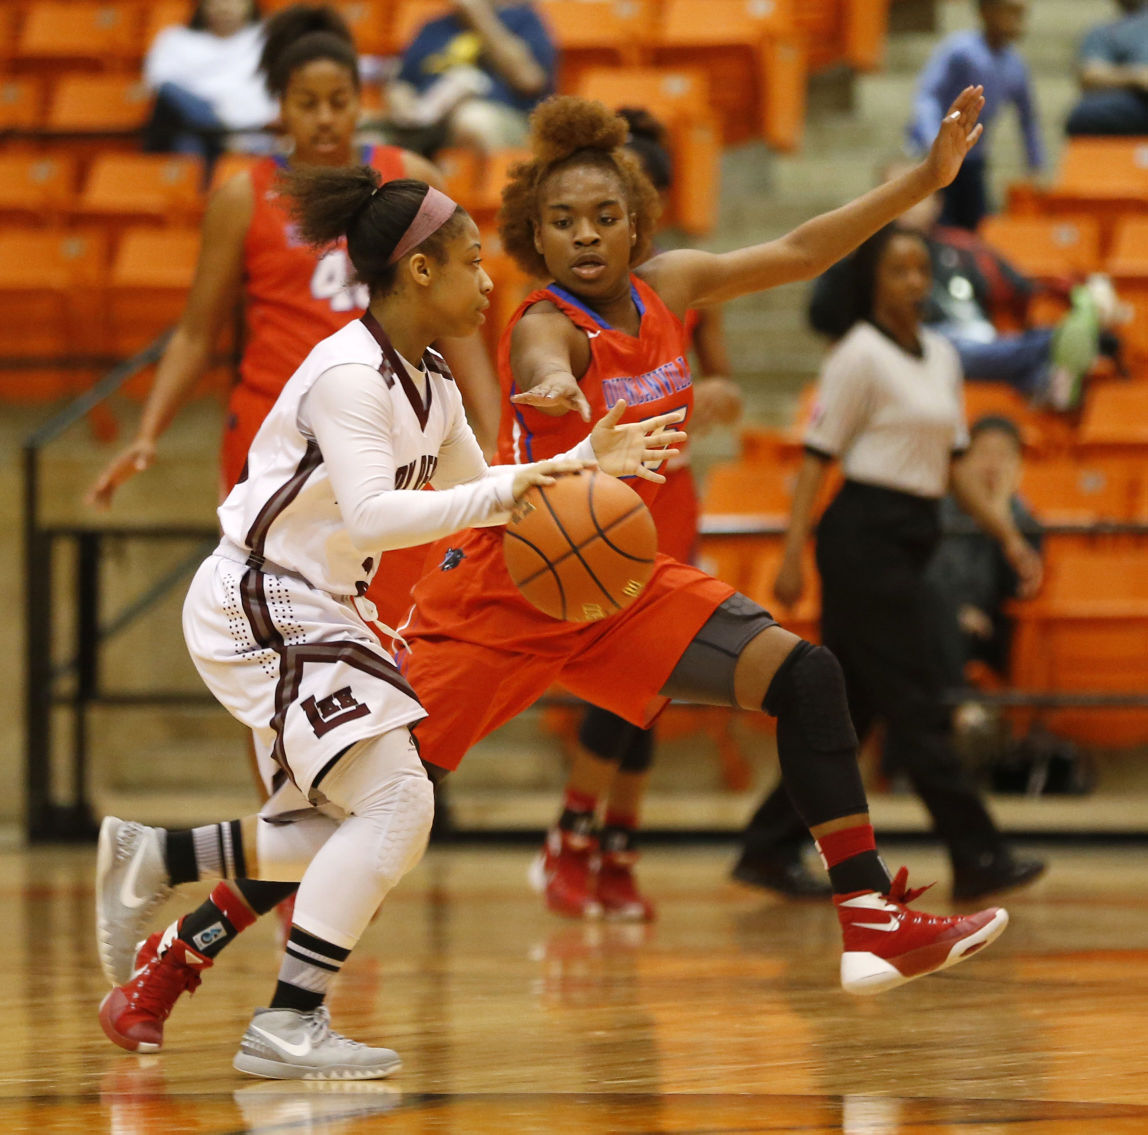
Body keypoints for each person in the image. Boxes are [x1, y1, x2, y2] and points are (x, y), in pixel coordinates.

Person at [93, 91, 1015, 1050]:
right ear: (533, 236)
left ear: (637, 224)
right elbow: (543, 367)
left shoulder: (671, 288)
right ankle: (174, 955)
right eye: (563, 220)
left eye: (605, 216)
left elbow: (800, 249)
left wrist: (923, 179)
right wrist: (556, 387)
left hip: (614, 585)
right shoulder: (544, 321)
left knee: (808, 675)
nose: (585, 235)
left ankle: (868, 919)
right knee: (354, 814)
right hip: (503, 594)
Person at [95, 171, 683, 1075]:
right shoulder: (348, 376)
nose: (489, 282)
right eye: (473, 262)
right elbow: (374, 517)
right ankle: (288, 1020)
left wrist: (582, 461)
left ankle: (163, 860)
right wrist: (523, 485)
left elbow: (484, 495)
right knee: (402, 801)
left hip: (319, 605)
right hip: (261, 597)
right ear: (419, 271)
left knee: (358, 820)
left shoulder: (433, 382)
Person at [735, 225, 1046, 904]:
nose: (914, 281)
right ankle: (977, 853)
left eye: (920, 269)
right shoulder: (858, 354)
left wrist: (1008, 537)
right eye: (899, 270)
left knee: (850, 713)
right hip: (862, 540)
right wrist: (790, 555)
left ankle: (767, 846)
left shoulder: (942, 356)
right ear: (872, 282)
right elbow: (816, 460)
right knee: (917, 700)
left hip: (910, 538)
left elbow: (955, 464)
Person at [91, 4, 500, 515]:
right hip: (277, 423)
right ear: (280, 105)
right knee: (268, 564)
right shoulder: (242, 197)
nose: (324, 117)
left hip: (389, 416)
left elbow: (455, 319)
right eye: (307, 103)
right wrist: (147, 433)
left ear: (360, 100)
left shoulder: (411, 177)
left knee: (393, 563)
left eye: (338, 101)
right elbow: (196, 333)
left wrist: (492, 430)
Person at [534, 105, 743, 921]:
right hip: (601, 505)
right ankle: (571, 838)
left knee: (658, 678)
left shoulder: (685, 286)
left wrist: (718, 394)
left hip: (672, 496)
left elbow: (723, 381)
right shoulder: (563, 308)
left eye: (631, 205)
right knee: (626, 676)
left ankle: (615, 850)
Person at [808, 158, 1112, 411]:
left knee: (1006, 347)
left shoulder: (965, 247)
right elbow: (822, 316)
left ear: (937, 202)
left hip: (981, 341)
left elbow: (1024, 288)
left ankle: (1045, 369)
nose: (907, 202)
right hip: (917, 346)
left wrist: (1078, 291)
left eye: (917, 191)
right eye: (895, 192)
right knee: (947, 351)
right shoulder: (863, 258)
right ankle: (1051, 358)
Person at [907, 0, 1042, 231]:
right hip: (936, 154)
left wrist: (1035, 165)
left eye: (1021, 14)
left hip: (973, 158)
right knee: (936, 226)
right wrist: (933, 140)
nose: (1018, 21)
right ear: (986, 11)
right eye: (1010, 12)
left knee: (976, 229)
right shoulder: (960, 51)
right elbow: (928, 95)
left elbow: (1028, 119)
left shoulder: (1016, 65)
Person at [387, 0, 556, 156]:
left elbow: (528, 80)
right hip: (429, 123)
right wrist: (404, 107)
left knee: (472, 119)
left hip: (502, 118)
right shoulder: (432, 27)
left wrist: (478, 16)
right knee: (376, 141)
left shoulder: (523, 19)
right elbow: (402, 83)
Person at [142, 0, 277, 171]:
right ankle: (222, 135)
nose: (224, 8)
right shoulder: (175, 38)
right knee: (172, 99)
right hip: (192, 126)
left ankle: (222, 136)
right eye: (214, 2)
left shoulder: (268, 36)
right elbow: (159, 84)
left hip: (252, 128)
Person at [1065, 0, 1148, 136]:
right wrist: (1138, 76)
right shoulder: (1104, 32)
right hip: (1136, 102)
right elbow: (1090, 75)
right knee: (1087, 114)